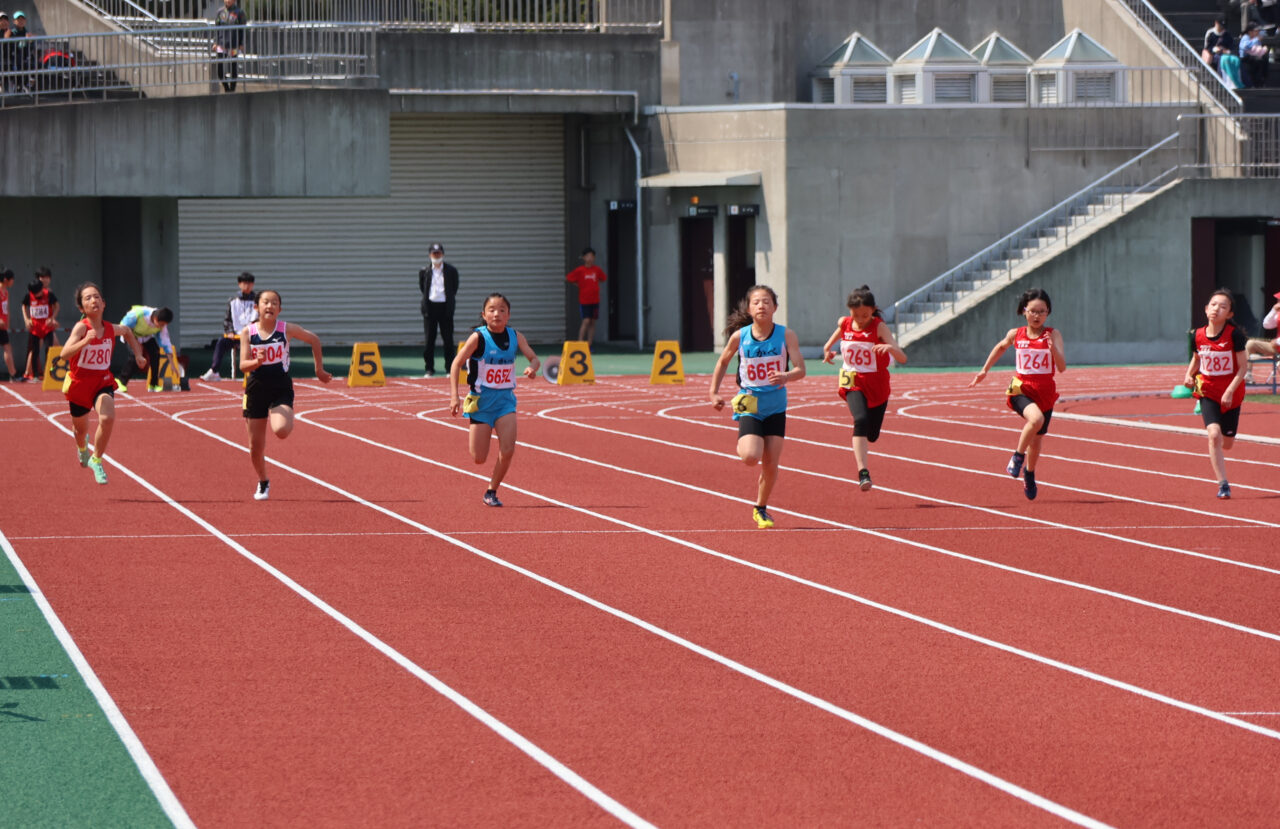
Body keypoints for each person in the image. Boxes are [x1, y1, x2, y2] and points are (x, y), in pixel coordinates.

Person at [708, 285, 806, 529]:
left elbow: (801, 370)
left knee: (771, 464)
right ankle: (747, 440)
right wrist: (714, 392)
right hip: (750, 403)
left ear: (775, 307)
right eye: (756, 302)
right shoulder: (740, 337)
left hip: (776, 406)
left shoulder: (786, 335)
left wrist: (785, 376)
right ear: (749, 309)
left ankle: (760, 508)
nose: (761, 306)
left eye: (766, 302)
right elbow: (722, 362)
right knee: (751, 457)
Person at [968, 288, 1066, 501]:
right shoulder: (1016, 334)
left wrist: (1053, 350)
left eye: (1042, 311)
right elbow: (1000, 347)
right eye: (1033, 311)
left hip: (1045, 392)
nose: (1037, 316)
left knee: (1037, 439)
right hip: (1021, 388)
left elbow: (1062, 367)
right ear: (1024, 311)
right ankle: (1017, 457)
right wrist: (984, 370)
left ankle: (1029, 473)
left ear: (1048, 312)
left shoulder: (1053, 334)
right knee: (1036, 420)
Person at [448, 293, 541, 507]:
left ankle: (492, 491)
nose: (496, 314)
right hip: (481, 404)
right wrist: (454, 396)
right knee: (478, 458)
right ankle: (482, 439)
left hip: (505, 402)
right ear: (484, 314)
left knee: (508, 449)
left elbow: (534, 358)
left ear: (508, 315)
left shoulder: (516, 336)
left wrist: (532, 367)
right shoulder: (478, 338)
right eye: (492, 310)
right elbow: (456, 364)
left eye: (501, 310)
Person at [239, 289, 332, 501]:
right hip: (255, 389)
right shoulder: (248, 332)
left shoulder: (286, 329)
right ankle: (263, 481)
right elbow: (243, 365)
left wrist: (319, 369)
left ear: (280, 309)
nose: (270, 306)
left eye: (274, 303)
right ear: (256, 307)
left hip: (280, 387)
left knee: (281, 430)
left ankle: (284, 412)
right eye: (265, 302)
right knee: (255, 447)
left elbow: (314, 339)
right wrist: (257, 362)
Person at [820, 286, 907, 492]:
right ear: (849, 311)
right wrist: (828, 351)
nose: (860, 319)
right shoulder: (844, 323)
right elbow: (829, 343)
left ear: (873, 310)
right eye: (855, 315)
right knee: (860, 420)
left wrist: (890, 348)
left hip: (877, 385)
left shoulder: (879, 327)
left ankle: (865, 446)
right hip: (852, 381)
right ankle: (863, 472)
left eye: (865, 315)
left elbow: (903, 358)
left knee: (872, 435)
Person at [60, 283, 147, 485]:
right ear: (82, 308)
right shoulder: (82, 328)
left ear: (104, 303)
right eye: (88, 298)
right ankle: (82, 448)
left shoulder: (111, 328)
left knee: (107, 417)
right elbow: (64, 354)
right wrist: (84, 341)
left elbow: (127, 331)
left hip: (102, 382)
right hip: (80, 385)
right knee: (80, 431)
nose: (94, 300)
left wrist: (138, 354)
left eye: (97, 297)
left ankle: (96, 459)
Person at [1185, 288, 1249, 499]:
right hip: (1208, 391)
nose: (1216, 309)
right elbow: (1197, 358)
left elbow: (1243, 368)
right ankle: (1223, 484)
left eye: (1223, 307)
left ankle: (1221, 444)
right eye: (1213, 305)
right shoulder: (1197, 335)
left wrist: (1230, 391)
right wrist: (1188, 375)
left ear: (1229, 314)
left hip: (1231, 394)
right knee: (1213, 435)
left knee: (1227, 444)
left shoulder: (1235, 335)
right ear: (1206, 309)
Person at [201, 271, 257, 381]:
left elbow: (260, 319)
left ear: (253, 285)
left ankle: (255, 374)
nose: (247, 286)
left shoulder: (257, 300)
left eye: (249, 283)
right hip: (236, 336)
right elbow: (227, 320)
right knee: (221, 342)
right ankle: (214, 371)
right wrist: (230, 331)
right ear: (239, 284)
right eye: (244, 283)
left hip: (252, 336)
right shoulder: (233, 301)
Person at [419, 242, 459, 377]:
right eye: (434, 253)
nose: (436, 256)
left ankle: (449, 369)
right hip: (430, 308)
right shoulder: (424, 271)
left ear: (443, 254)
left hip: (445, 308)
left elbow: (454, 288)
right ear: (430, 255)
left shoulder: (451, 270)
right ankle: (429, 369)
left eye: (438, 253)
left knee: (448, 340)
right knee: (429, 340)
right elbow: (422, 288)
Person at [115, 305, 176, 392]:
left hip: (146, 337)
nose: (162, 327)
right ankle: (121, 382)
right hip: (131, 335)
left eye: (164, 325)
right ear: (155, 319)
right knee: (135, 356)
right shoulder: (137, 314)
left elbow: (166, 342)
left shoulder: (162, 325)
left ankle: (153, 384)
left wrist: (172, 364)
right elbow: (123, 327)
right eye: (161, 324)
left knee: (155, 353)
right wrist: (135, 345)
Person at [20, 267, 58, 380]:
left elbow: (56, 306)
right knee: (35, 350)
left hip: (47, 327)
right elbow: (24, 306)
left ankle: (49, 372)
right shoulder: (30, 294)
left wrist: (52, 318)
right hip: (36, 328)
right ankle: (31, 373)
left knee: (50, 349)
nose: (45, 280)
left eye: (47, 277)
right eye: (42, 277)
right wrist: (27, 319)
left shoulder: (49, 293)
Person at [565, 247, 608, 345]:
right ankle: (580, 343)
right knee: (586, 320)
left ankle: (589, 344)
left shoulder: (597, 270)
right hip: (584, 300)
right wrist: (579, 284)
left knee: (592, 322)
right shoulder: (580, 270)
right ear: (584, 258)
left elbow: (603, 278)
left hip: (595, 300)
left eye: (592, 256)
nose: (590, 258)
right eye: (588, 256)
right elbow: (568, 278)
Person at [212, 0, 247, 93]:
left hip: (234, 45)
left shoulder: (240, 13)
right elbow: (216, 28)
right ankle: (226, 88)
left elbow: (243, 29)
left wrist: (241, 43)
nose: (228, 1)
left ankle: (232, 90)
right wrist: (215, 42)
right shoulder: (220, 12)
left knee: (233, 68)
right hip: (221, 44)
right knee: (220, 70)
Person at [1245, 291, 1280, 373]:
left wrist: (1277, 342)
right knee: (1250, 344)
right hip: (1276, 348)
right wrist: (1273, 310)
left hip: (1277, 344)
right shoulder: (1278, 314)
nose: (1278, 302)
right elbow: (1266, 325)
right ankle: (1248, 373)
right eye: (1278, 300)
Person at [0, 269, 20, 381]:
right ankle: (13, 374)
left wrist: (7, 321)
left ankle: (13, 374)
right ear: (6, 279)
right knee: (7, 348)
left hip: (2, 327)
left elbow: (6, 308)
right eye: (12, 279)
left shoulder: (6, 292)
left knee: (7, 347)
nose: (13, 281)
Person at [1239, 22, 1271, 88]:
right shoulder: (1246, 37)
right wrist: (1256, 40)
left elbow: (1258, 48)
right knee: (1257, 61)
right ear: (1250, 31)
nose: (1258, 32)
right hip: (1245, 57)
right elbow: (1245, 47)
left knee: (1264, 59)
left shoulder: (1256, 38)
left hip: (1254, 56)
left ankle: (1262, 80)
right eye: (1256, 31)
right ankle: (1255, 83)